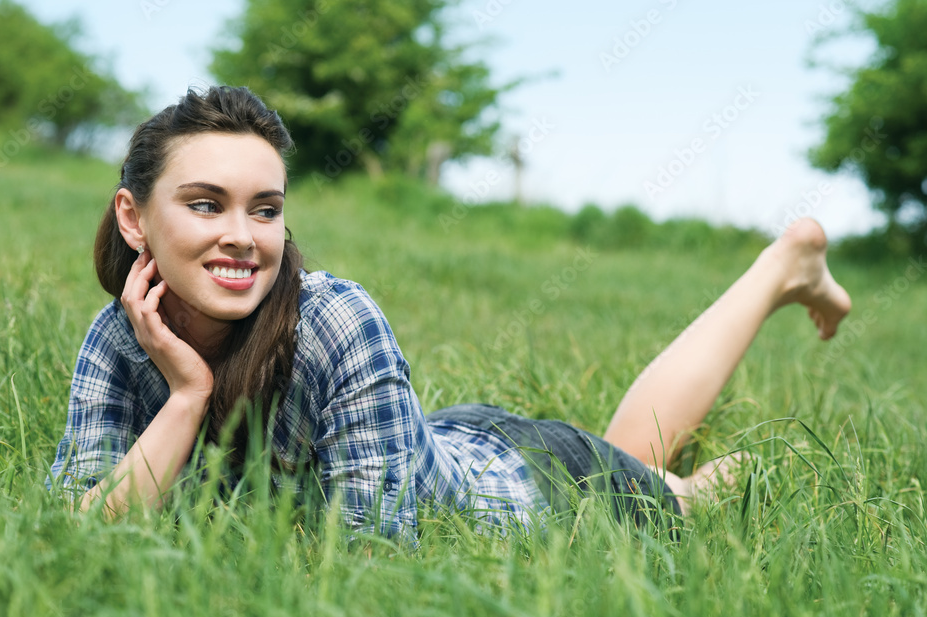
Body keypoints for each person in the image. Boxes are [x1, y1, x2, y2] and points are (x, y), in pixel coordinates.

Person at [46, 86, 852, 546]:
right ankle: (783, 268)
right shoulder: (119, 339)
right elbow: (77, 533)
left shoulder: (334, 318)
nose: (241, 235)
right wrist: (187, 397)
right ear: (133, 218)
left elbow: (371, 555)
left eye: (265, 209)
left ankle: (778, 277)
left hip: (536, 485)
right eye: (204, 204)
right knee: (637, 445)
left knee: (681, 494)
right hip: (441, 440)